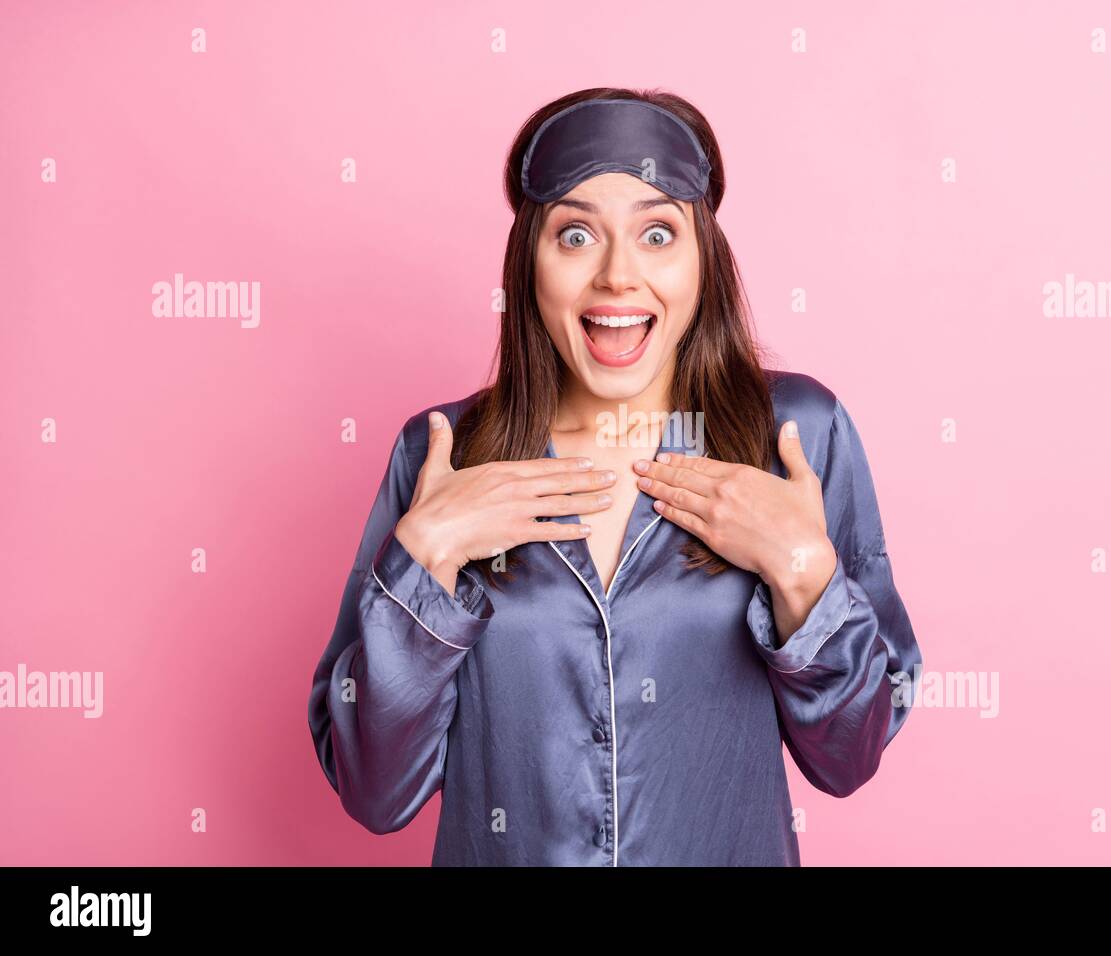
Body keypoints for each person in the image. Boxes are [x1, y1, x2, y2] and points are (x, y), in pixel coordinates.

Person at [308, 88, 922, 866]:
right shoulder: (443, 455)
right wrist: (424, 557)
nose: (618, 278)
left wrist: (803, 572)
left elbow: (850, 757)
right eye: (575, 237)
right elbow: (375, 792)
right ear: (529, 264)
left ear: (704, 261)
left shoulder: (796, 434)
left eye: (658, 233)